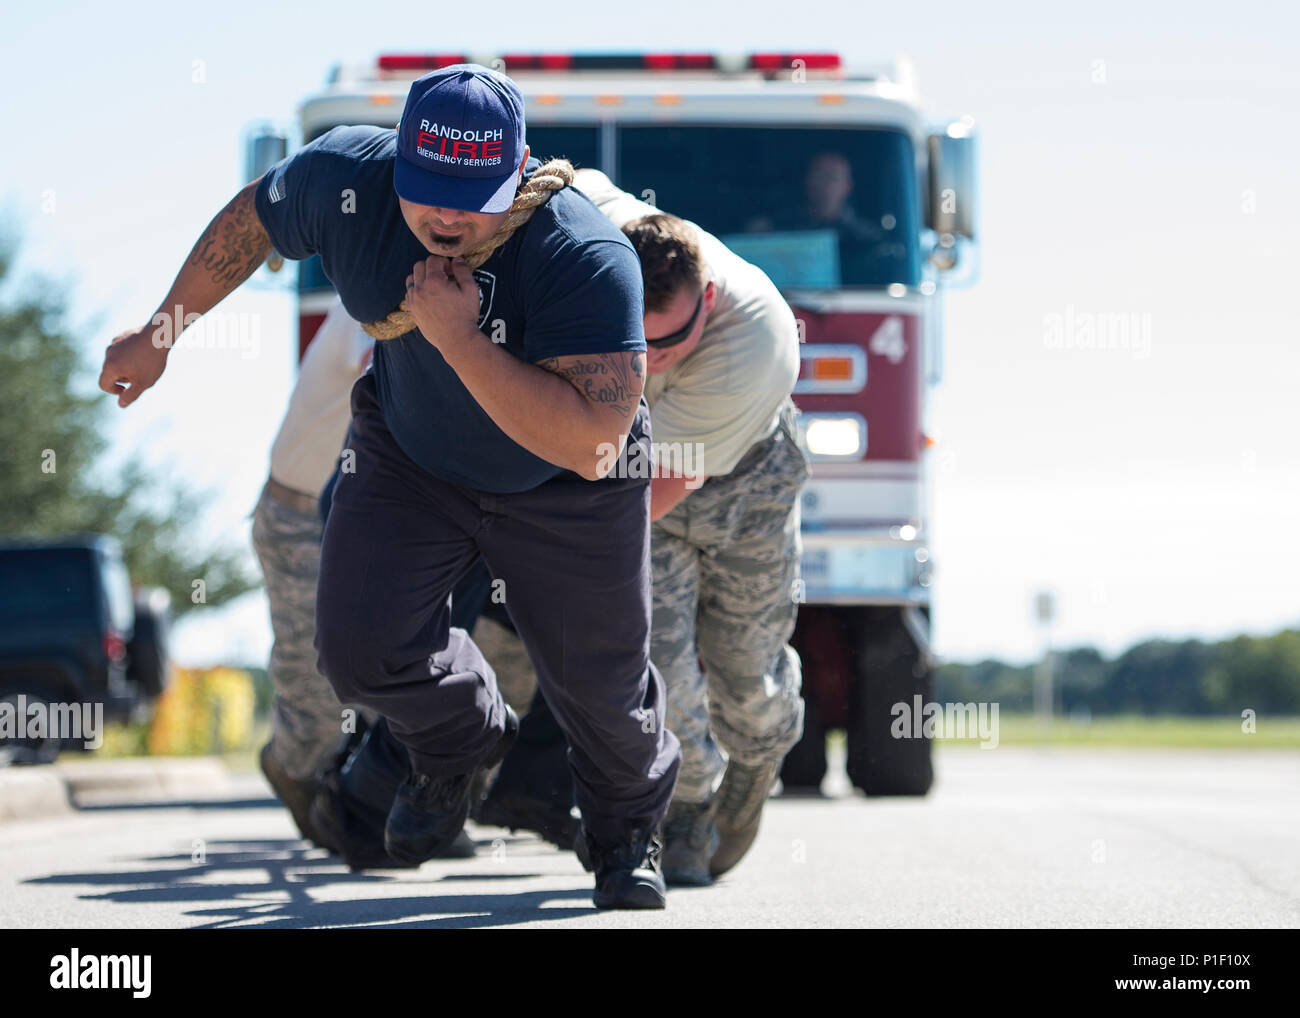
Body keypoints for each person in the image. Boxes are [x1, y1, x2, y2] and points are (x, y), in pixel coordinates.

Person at [98, 64, 679, 910]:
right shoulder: (345, 181)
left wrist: (459, 337)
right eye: (427, 189)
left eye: (470, 196)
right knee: (357, 648)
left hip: (566, 484)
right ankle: (457, 742)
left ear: (516, 172)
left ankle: (626, 834)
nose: (444, 214)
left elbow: (594, 444)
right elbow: (251, 219)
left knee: (601, 687)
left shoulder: (583, 254)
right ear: (398, 159)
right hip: (414, 456)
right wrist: (163, 331)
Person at [483, 169, 810, 886]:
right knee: (655, 658)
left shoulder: (753, 340)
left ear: (709, 303)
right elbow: (540, 181)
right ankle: (687, 807)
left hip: (740, 484)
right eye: (641, 338)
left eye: (672, 343)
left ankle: (755, 765)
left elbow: (662, 487)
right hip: (637, 474)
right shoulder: (597, 230)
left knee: (744, 675)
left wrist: (559, 568)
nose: (653, 359)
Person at [253, 297, 371, 844]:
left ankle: (403, 801)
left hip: (377, 518)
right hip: (302, 518)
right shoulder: (374, 296)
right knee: (319, 695)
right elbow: (391, 377)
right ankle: (292, 767)